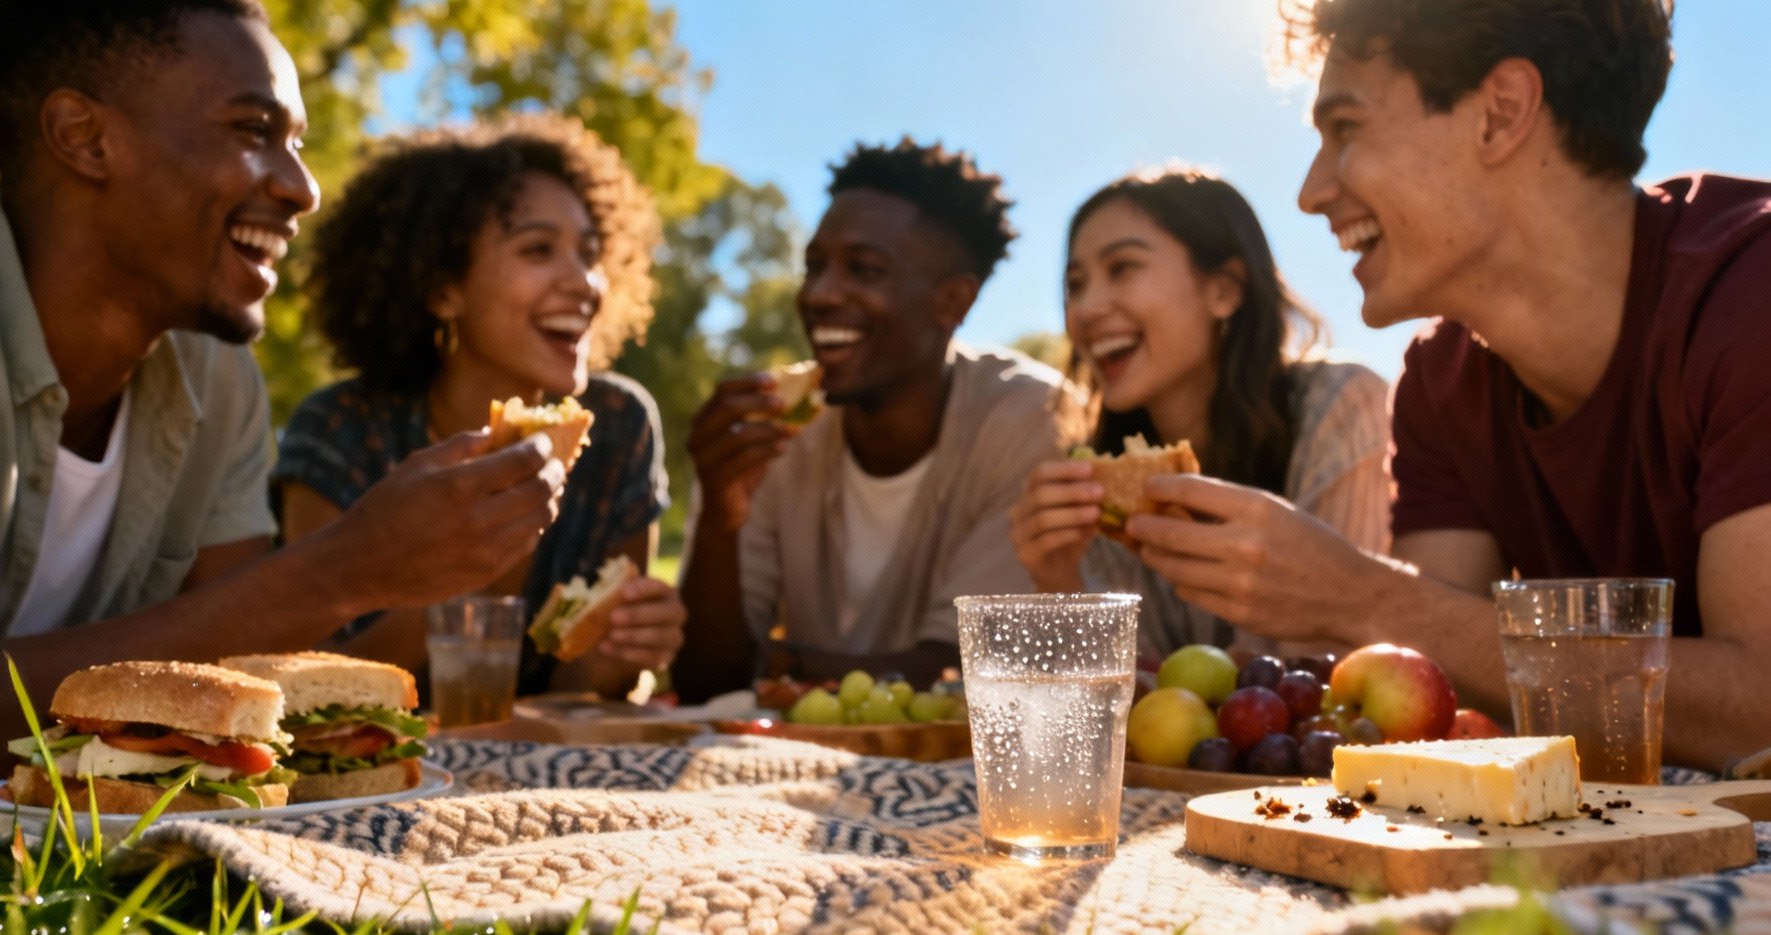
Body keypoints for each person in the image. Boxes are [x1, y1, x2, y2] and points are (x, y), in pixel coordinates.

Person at [0, 0, 564, 783]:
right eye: (254, 132)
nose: (304, 190)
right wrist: (342, 569)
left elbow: (233, 690)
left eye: (297, 144)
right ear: (86, 138)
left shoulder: (218, 376)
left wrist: (409, 573)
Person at [1124, 0, 1771, 772]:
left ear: (1500, 114)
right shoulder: (1441, 381)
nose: (1310, 190)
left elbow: (1760, 707)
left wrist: (1360, 593)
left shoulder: (1750, 291)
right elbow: (1436, 687)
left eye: (1345, 130)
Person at [272, 116, 684, 699]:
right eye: (539, 249)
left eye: (589, 254)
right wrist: (465, 581)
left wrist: (620, 655)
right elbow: (301, 687)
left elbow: (581, 696)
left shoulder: (618, 427)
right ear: (443, 288)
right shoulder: (340, 431)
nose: (585, 283)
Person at [673, 139, 1068, 700]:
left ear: (952, 303)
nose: (821, 294)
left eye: (865, 269)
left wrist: (780, 663)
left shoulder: (1027, 419)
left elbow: (962, 673)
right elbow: (705, 683)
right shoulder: (773, 430)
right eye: (814, 267)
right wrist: (720, 516)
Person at [1007, 168, 1389, 660]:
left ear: (1224, 291)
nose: (1086, 307)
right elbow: (1129, 707)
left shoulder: (1339, 405)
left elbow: (1314, 672)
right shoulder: (1103, 484)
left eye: (1122, 268)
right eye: (1075, 284)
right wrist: (1058, 581)